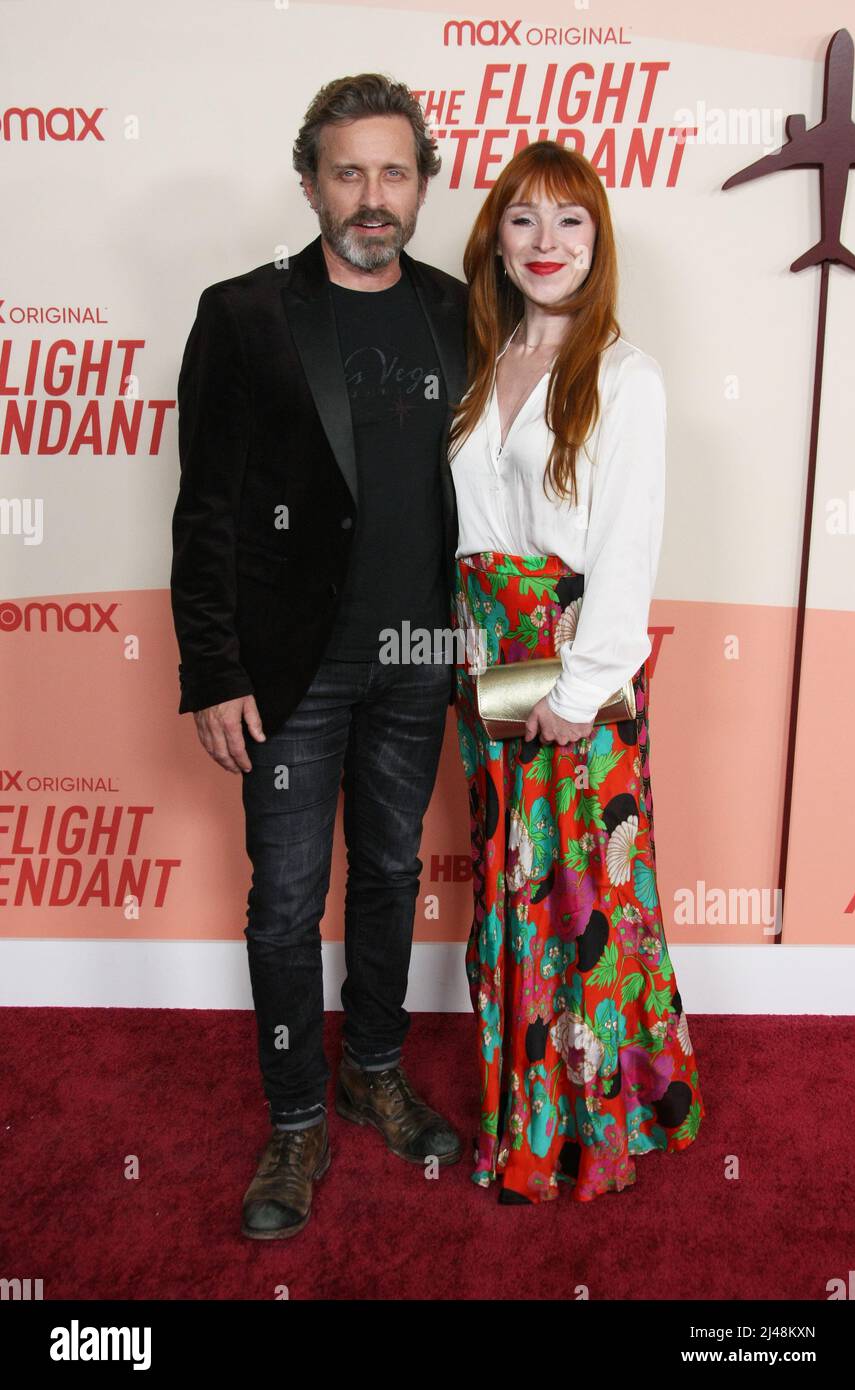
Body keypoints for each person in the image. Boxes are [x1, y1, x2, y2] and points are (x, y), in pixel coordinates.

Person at [170, 73, 468, 1240]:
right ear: (309, 182)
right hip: (289, 670)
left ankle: (373, 1070)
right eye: (347, 171)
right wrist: (211, 668)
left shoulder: (457, 307)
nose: (371, 195)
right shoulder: (243, 313)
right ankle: (296, 1115)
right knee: (287, 905)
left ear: (421, 185)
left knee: (390, 876)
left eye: (393, 171)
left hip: (418, 658)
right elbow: (206, 510)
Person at [447, 140, 706, 1205]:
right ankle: (526, 1104)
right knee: (513, 892)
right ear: (495, 240)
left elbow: (627, 549)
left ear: (596, 243)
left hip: (572, 678)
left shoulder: (624, 375)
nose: (544, 244)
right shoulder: (482, 357)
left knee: (583, 894)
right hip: (490, 668)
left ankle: (585, 1129)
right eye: (522, 221)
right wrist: (474, 662)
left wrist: (576, 689)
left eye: (569, 223)